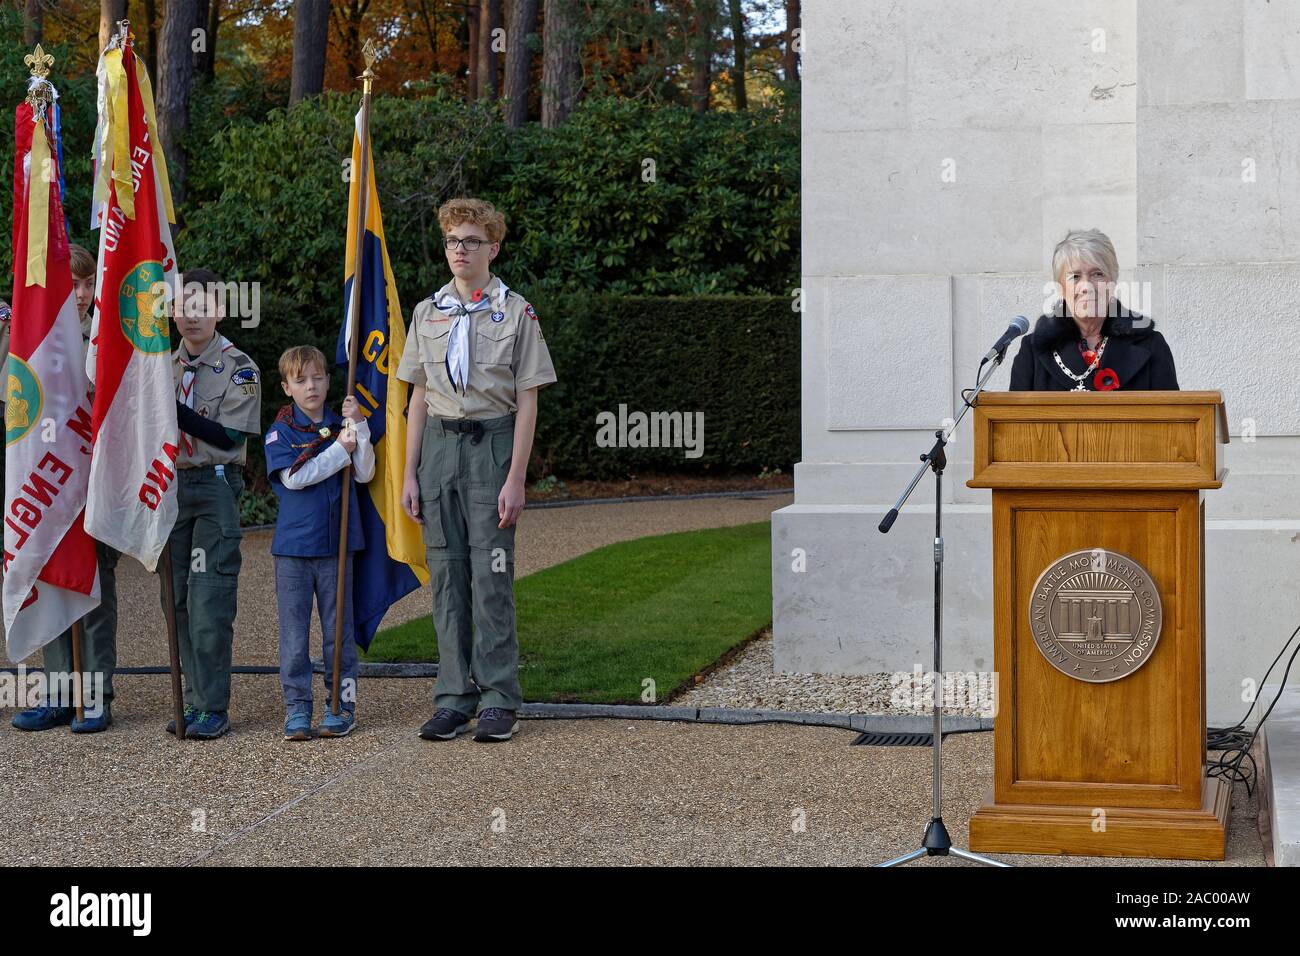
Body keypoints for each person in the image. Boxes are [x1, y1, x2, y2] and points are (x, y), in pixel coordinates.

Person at [396, 197, 557, 743]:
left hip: (491, 446)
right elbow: (417, 395)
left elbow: (529, 400)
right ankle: (452, 698)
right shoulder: (427, 312)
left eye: (470, 241)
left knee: (490, 576)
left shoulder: (516, 313)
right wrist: (411, 472)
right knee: (445, 577)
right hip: (439, 449)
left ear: (493, 248)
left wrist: (516, 477)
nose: (459, 250)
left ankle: (497, 697)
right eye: (451, 241)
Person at [11, 245, 122, 733]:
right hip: (46, 482)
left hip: (92, 483)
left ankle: (95, 695)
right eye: (72, 285)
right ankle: (59, 692)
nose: (80, 295)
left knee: (93, 587)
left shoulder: (106, 339)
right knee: (50, 578)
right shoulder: (35, 340)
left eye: (87, 285)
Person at [163, 268, 261, 740]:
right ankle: (192, 701)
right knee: (176, 599)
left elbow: (230, 435)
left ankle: (212, 707)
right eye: (183, 306)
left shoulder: (238, 366)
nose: (191, 316)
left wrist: (174, 412)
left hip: (213, 488)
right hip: (169, 489)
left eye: (202, 307)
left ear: (219, 311)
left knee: (208, 601)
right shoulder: (160, 365)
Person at [265, 345, 375, 741]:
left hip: (336, 547)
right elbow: (295, 478)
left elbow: (364, 473)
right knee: (294, 636)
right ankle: (297, 708)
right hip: (294, 550)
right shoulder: (281, 431)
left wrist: (358, 428)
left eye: (317, 377)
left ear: (329, 380)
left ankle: (341, 704)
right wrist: (340, 450)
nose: (310, 386)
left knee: (338, 633)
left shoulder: (342, 422)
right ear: (287, 388)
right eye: (300, 380)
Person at [1010, 229, 1179, 392]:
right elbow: (1014, 418)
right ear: (1060, 287)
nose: (1087, 286)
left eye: (1097, 274)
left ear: (1112, 282)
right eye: (1075, 276)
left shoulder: (1151, 346)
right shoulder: (1032, 352)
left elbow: (1174, 417)